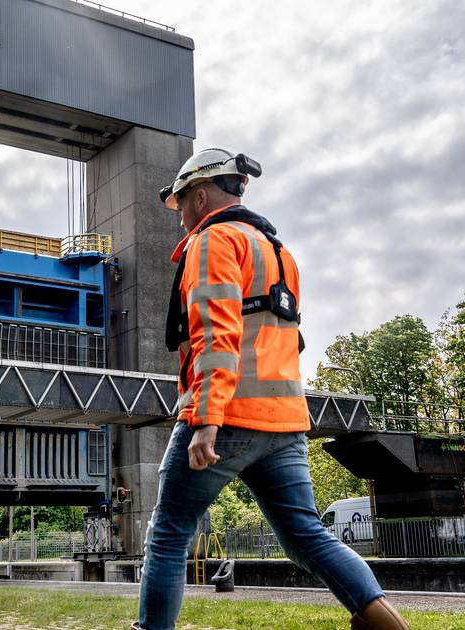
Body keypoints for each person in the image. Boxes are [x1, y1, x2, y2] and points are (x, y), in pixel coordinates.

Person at [135, 149, 409, 630]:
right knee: (306, 534)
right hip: (284, 420)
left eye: (180, 203)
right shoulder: (279, 253)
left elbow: (217, 336)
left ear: (201, 195)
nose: (179, 216)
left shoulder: (213, 242)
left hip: (229, 413)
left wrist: (206, 417)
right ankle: (387, 625)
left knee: (169, 534)